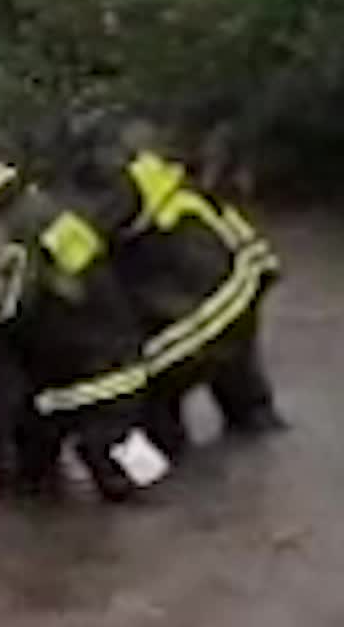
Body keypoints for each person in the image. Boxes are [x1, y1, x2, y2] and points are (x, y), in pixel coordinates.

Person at [0, 129, 170, 502]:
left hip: (93, 371)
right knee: (36, 461)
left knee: (110, 466)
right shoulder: (42, 211)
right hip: (90, 363)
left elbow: (14, 305)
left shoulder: (24, 228)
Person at [69, 113, 286, 456]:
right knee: (244, 398)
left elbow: (80, 257)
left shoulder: (116, 192)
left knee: (145, 388)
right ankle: (260, 436)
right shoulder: (154, 171)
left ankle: (164, 468)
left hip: (201, 305)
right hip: (240, 285)